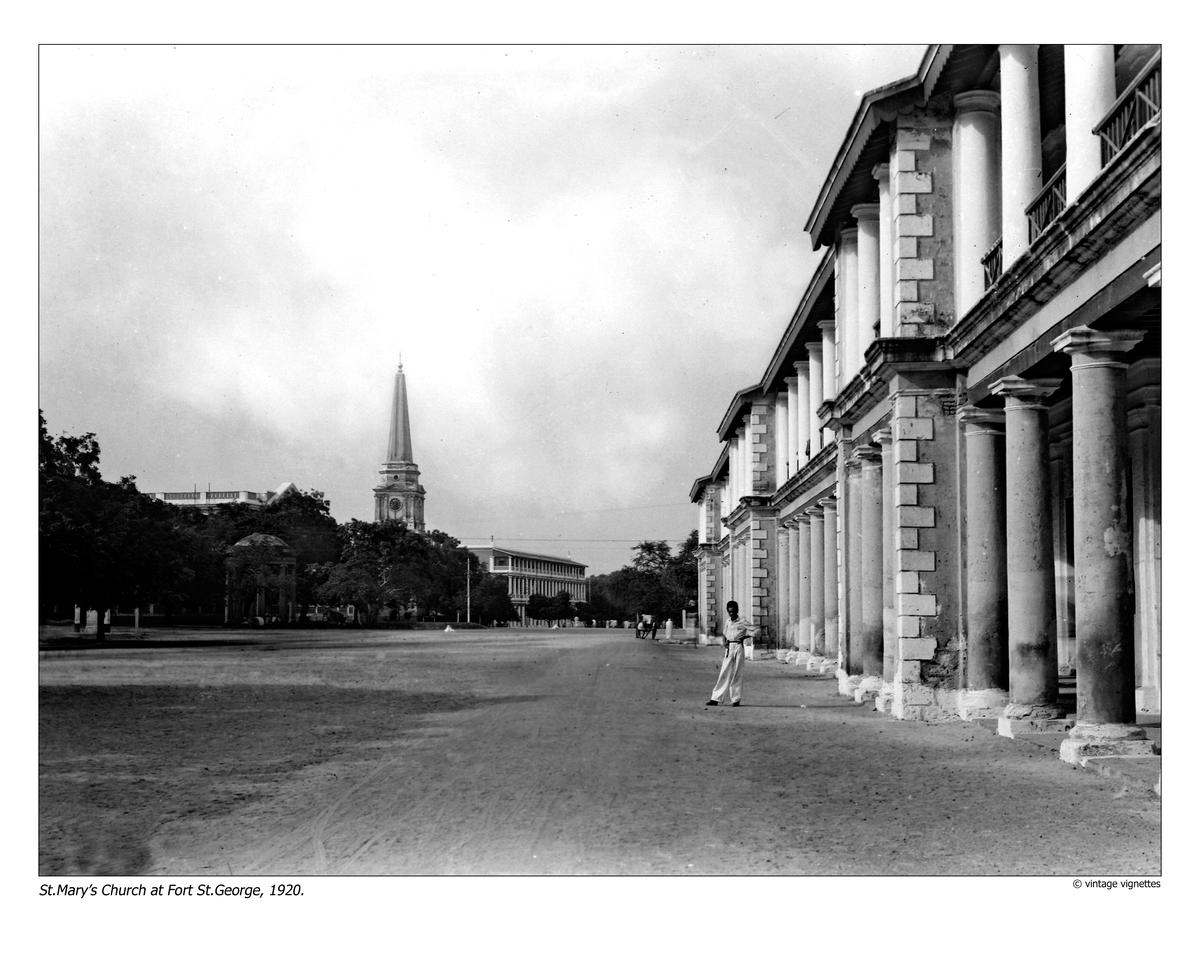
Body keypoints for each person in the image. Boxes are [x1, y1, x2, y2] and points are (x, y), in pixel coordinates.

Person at [706, 601, 753, 707]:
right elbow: (725, 633)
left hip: (738, 647)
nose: (731, 613)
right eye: (730, 611)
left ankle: (735, 699)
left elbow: (755, 630)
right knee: (724, 672)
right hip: (730, 647)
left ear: (737, 610)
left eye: (733, 611)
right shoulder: (728, 621)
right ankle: (715, 698)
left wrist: (744, 637)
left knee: (737, 673)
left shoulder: (743, 621)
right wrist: (725, 643)